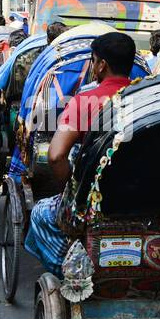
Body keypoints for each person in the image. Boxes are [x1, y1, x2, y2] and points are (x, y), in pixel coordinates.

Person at [24, 32, 136, 273]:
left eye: (94, 61)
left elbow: (55, 155)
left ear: (102, 64)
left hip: (95, 202)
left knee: (40, 213)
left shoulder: (86, 101)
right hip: (141, 198)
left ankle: (69, 272)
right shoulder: (146, 99)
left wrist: (73, 189)